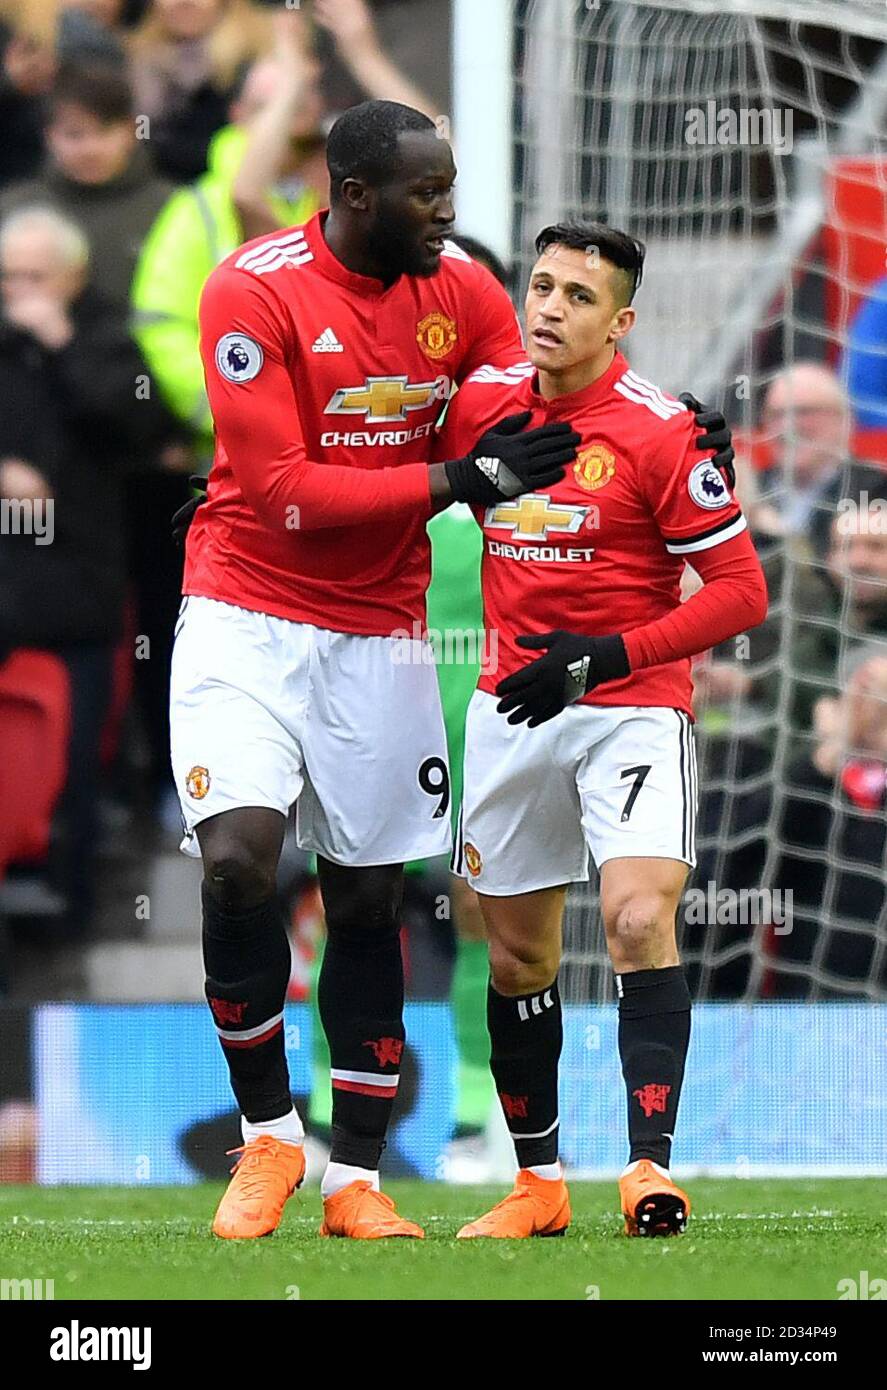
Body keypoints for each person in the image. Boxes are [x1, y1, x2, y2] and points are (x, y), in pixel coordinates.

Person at [170, 98, 580, 1241]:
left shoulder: (462, 291)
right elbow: (285, 491)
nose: (446, 212)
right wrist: (460, 479)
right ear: (354, 196)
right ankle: (267, 1142)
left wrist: (628, 420)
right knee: (240, 867)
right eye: (425, 193)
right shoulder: (252, 290)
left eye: (448, 188)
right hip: (245, 613)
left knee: (366, 893)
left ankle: (355, 1179)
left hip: (379, 633)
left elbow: (511, 392)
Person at [433, 221, 767, 1238]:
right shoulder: (479, 407)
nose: (547, 307)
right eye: (539, 286)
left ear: (620, 320)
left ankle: (646, 1169)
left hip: (628, 706)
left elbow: (741, 592)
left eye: (577, 296)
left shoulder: (660, 430)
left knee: (631, 919)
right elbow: (376, 460)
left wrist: (606, 656)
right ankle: (537, 1184)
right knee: (514, 959)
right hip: (509, 707)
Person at [0, 205, 177, 931]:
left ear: (73, 276)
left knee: (74, 760)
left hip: (78, 586)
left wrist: (63, 342)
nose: (19, 293)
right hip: (8, 582)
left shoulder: (103, 338)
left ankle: (70, 904)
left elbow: (142, 425)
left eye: (35, 277)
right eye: (7, 278)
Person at [759, 362, 883, 559]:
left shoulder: (878, 492)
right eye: (775, 414)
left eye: (804, 412)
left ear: (844, 419)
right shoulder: (743, 492)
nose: (788, 425)